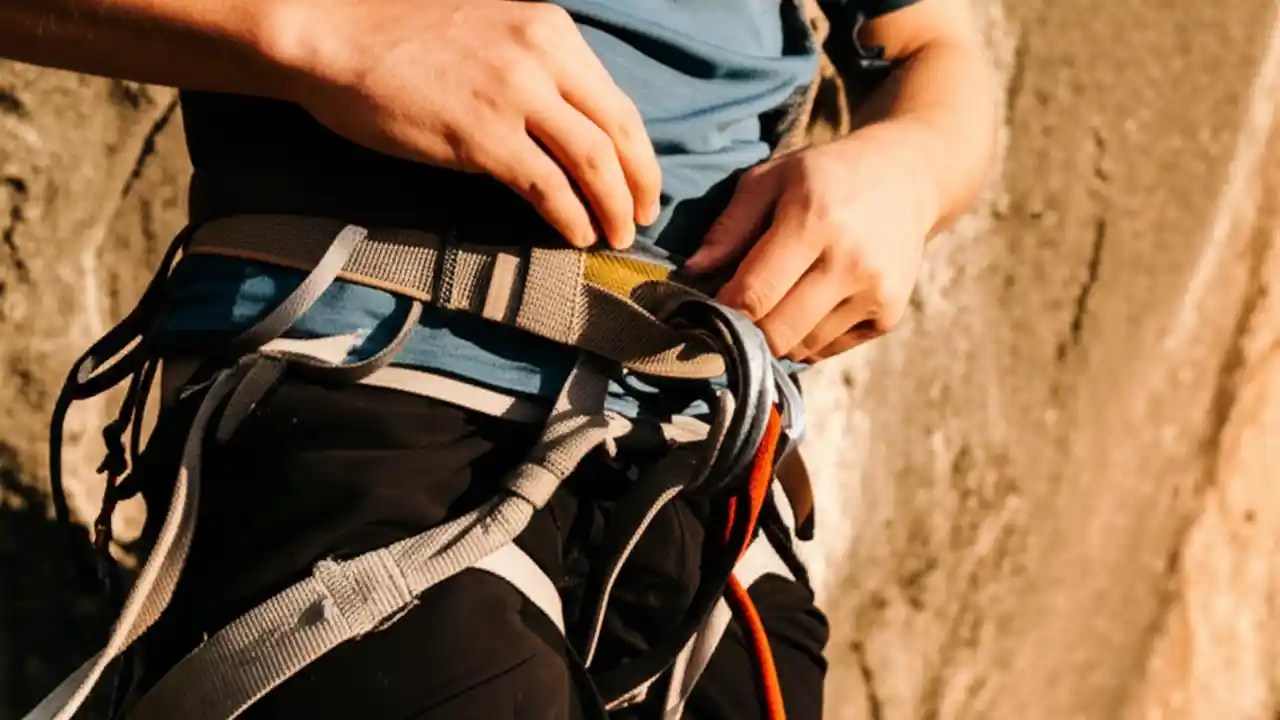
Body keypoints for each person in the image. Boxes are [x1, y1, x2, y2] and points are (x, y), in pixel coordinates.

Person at [4, 0, 995, 717]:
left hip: (706, 470)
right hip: (372, 374)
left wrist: (909, 163)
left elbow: (934, 45)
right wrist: (320, 30)